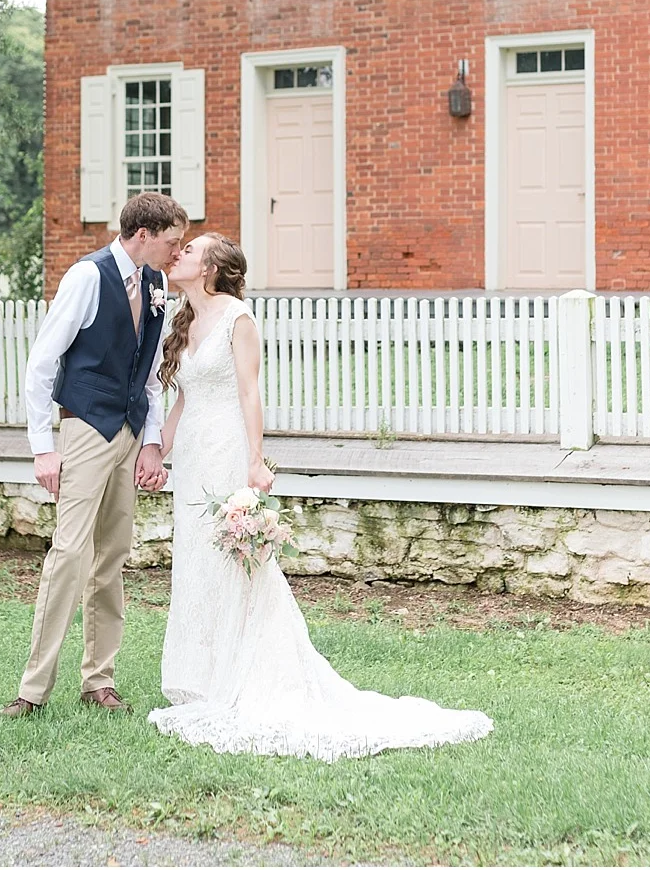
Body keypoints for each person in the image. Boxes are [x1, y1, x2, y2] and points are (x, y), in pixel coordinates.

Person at [146, 233, 493, 760]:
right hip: (192, 455)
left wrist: (256, 461)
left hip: (228, 450)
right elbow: (181, 402)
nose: (180, 255)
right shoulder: (184, 321)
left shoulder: (238, 318)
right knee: (196, 561)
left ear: (212, 267)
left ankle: (247, 675)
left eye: (191, 251)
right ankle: (201, 677)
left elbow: (248, 391)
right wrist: (155, 451)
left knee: (235, 563)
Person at [0, 192, 187, 718]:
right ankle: (32, 691)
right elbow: (41, 362)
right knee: (70, 555)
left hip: (126, 433)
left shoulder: (157, 284)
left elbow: (147, 376)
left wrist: (149, 442)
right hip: (82, 431)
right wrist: (42, 449)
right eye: (172, 242)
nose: (177, 252)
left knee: (112, 559)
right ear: (143, 235)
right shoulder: (86, 276)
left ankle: (99, 681)